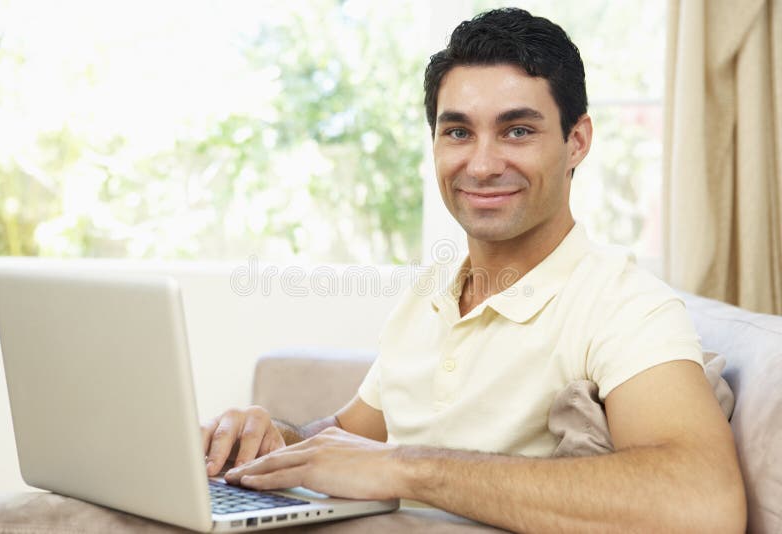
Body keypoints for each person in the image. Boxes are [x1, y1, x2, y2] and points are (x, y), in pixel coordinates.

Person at [201, 8, 746, 532]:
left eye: (517, 131)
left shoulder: (623, 305)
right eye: (458, 132)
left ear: (575, 141)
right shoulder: (431, 293)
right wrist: (276, 438)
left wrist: (408, 468)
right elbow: (347, 434)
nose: (482, 165)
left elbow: (702, 502)